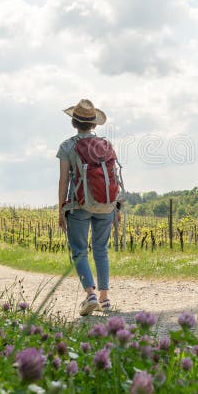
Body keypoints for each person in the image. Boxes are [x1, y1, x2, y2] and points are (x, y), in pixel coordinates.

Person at [57, 98, 115, 316]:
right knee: (101, 250)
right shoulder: (106, 145)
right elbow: (114, 176)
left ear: (74, 123)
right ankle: (105, 299)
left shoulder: (67, 146)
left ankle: (90, 294)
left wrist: (61, 210)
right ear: (94, 124)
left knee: (80, 251)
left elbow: (63, 181)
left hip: (78, 204)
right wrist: (115, 207)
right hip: (106, 204)